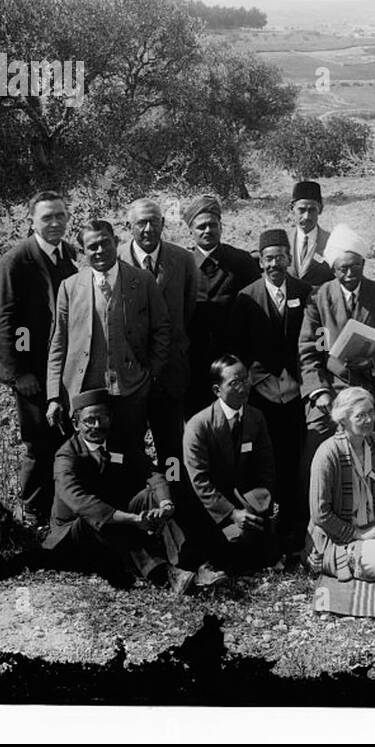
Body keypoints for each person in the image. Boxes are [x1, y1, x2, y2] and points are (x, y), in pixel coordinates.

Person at [44, 389, 200, 595]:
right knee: (97, 519)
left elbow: (152, 473)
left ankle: (189, 563)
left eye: (103, 418)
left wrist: (165, 504)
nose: (97, 426)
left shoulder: (121, 443)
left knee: (156, 494)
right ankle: (162, 573)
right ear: (76, 424)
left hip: (118, 517)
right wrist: (131, 519)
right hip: (76, 531)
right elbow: (80, 502)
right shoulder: (66, 456)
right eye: (90, 420)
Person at [45, 220, 171, 466]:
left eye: (105, 243)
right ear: (83, 251)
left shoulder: (142, 280)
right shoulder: (70, 287)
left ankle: (135, 501)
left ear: (116, 242)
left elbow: (162, 330)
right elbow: (58, 343)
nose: (100, 251)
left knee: (130, 451)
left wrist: (151, 374)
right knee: (93, 456)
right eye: (92, 247)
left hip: (131, 389)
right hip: (87, 392)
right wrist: (53, 396)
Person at [0, 190, 79, 527]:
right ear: (32, 221)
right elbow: (3, 321)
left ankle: (60, 507)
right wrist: (20, 372)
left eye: (60, 216)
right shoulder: (16, 261)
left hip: (61, 369)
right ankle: (31, 510)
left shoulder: (67, 255)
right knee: (38, 441)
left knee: (62, 436)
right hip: (32, 371)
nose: (55, 223)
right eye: (47, 217)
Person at [298, 223, 375, 502]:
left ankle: (368, 510)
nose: (349, 274)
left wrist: (373, 364)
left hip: (367, 389)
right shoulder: (319, 298)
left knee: (367, 457)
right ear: (333, 269)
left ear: (363, 263)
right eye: (342, 269)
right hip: (331, 391)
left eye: (355, 267)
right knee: (320, 453)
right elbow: (311, 349)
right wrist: (319, 391)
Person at [227, 228, 311, 559]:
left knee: (292, 458)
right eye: (268, 258)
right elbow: (237, 349)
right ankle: (262, 527)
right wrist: (254, 382)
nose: (274, 263)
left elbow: (312, 339)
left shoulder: (306, 292)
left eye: (280, 256)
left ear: (289, 259)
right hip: (261, 392)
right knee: (263, 459)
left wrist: (298, 380)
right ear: (260, 262)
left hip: (295, 390)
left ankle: (292, 527)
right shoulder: (246, 297)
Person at [118, 197, 198, 478]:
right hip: (130, 373)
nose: (148, 228)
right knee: (130, 443)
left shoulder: (184, 260)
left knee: (171, 445)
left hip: (170, 371)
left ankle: (175, 492)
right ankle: (141, 495)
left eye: (154, 221)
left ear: (163, 223)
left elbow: (188, 311)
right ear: (130, 226)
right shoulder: (115, 261)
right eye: (141, 222)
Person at [182, 355, 281, 572]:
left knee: (265, 537)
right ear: (217, 390)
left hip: (247, 501)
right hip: (212, 507)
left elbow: (266, 468)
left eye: (245, 379)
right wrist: (232, 513)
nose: (243, 387)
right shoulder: (199, 425)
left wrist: (257, 504)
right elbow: (200, 481)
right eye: (234, 383)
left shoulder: (256, 418)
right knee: (228, 548)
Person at [306, 387, 375, 578]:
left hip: (374, 528)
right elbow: (320, 514)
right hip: (340, 538)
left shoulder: (374, 441)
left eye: (371, 412)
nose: (369, 420)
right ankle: (344, 558)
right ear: (343, 420)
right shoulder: (327, 453)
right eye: (360, 416)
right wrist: (358, 535)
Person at [183, 194, 261, 414]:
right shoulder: (182, 264)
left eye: (212, 225)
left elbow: (256, 310)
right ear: (191, 231)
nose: (207, 230)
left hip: (234, 361)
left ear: (221, 227)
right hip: (194, 364)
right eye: (201, 226)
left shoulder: (242, 262)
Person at [287, 179, 333, 288]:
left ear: (320, 209)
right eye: (301, 210)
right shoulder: (283, 241)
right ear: (291, 209)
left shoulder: (332, 242)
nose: (307, 216)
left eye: (312, 210)